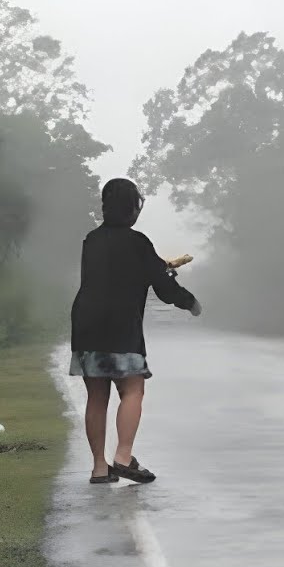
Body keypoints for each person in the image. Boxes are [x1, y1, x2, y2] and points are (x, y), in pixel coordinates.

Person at [69, 178, 201, 484]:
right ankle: (124, 457)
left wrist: (156, 268)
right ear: (133, 208)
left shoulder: (91, 240)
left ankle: (99, 468)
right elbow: (164, 287)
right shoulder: (138, 243)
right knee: (132, 390)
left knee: (96, 396)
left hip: (86, 324)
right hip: (120, 326)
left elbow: (110, 274)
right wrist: (190, 302)